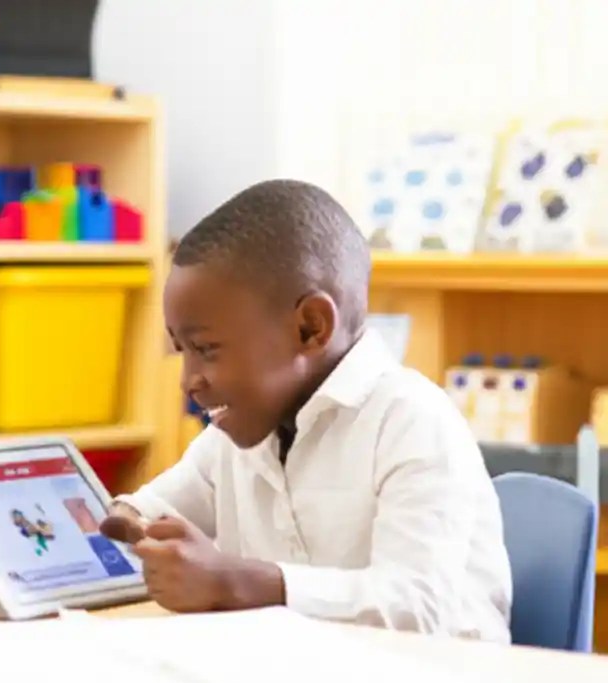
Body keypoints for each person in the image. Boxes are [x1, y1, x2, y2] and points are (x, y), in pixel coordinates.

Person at [101, 179, 512, 642]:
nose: (188, 380)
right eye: (182, 351)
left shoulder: (413, 421)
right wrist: (105, 528)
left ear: (310, 327)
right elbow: (142, 518)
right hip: (298, 675)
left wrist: (239, 582)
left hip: (435, 680)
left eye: (207, 350)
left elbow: (416, 607)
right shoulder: (235, 436)